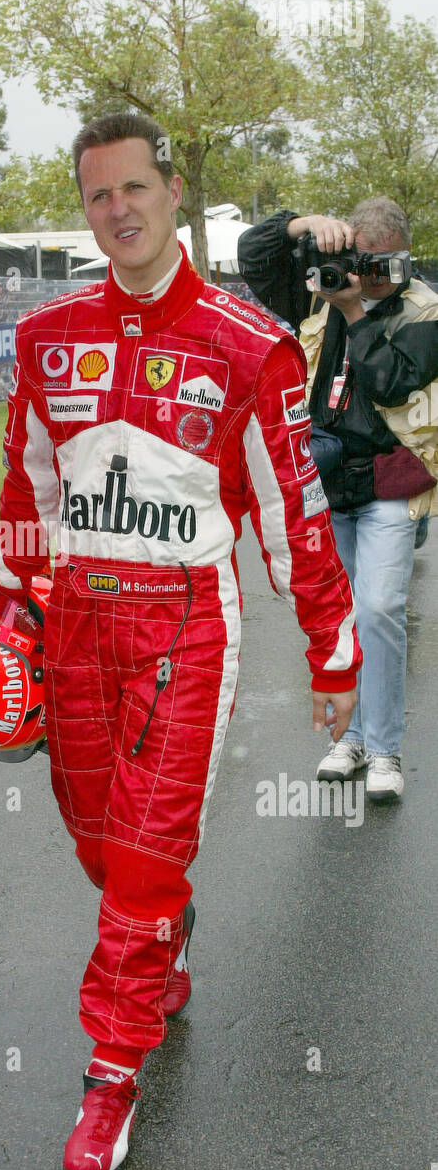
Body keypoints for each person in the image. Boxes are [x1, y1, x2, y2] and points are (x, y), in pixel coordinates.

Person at [0, 113, 360, 1170]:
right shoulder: (44, 335)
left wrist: (330, 649)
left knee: (140, 866)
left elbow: (293, 509)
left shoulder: (251, 344)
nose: (117, 212)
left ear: (172, 189)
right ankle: (160, 925)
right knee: (102, 846)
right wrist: (2, 604)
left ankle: (110, 1071)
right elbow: (25, 488)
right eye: (97, 195)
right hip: (74, 626)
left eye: (133, 189)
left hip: (184, 626)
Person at [238, 201, 438, 800]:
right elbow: (253, 255)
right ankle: (347, 740)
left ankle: (385, 751)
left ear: (403, 254)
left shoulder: (424, 311)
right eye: (361, 261)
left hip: (387, 481)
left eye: (385, 263)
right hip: (327, 481)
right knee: (342, 619)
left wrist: (355, 308)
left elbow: (392, 381)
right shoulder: (322, 288)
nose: (372, 275)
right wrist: (300, 227)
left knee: (378, 609)